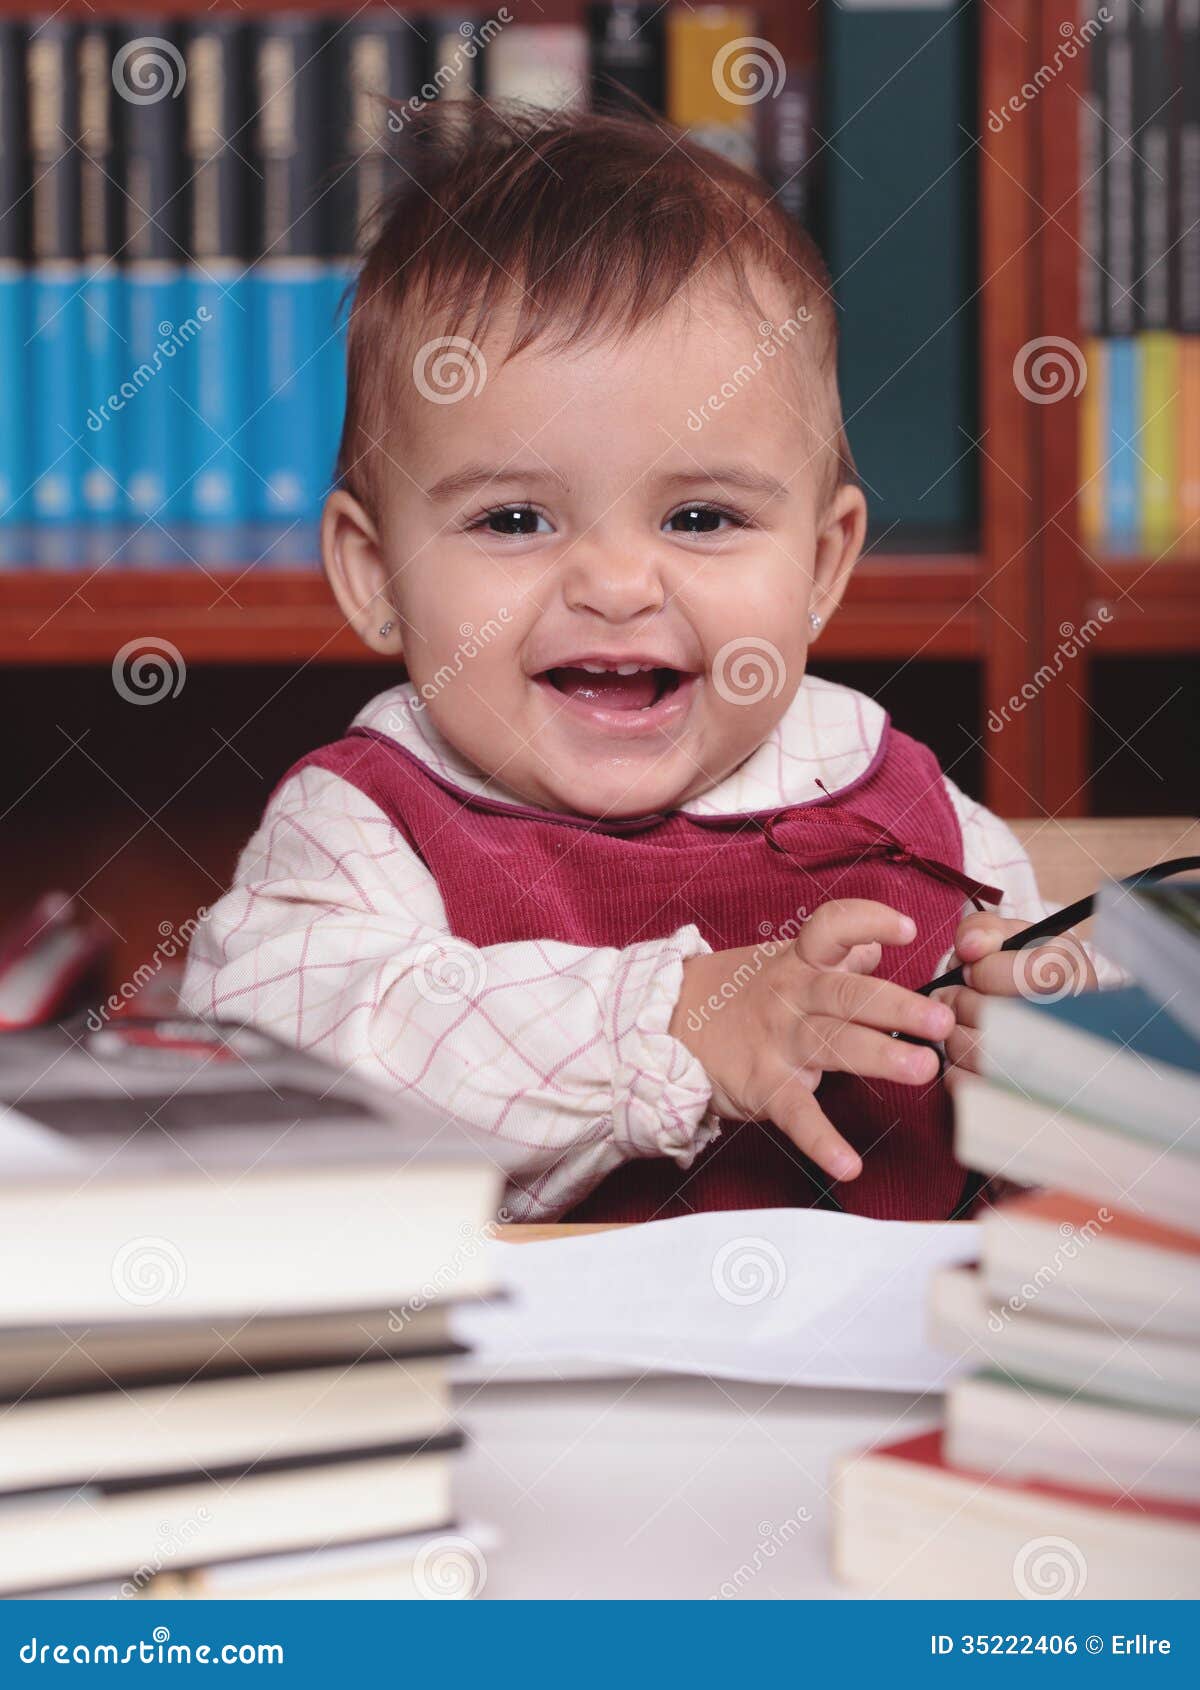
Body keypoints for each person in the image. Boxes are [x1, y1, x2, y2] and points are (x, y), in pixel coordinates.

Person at [183, 104, 1095, 1223]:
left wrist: (1056, 1079)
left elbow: (1087, 1156)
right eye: (513, 519)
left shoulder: (906, 804)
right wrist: (668, 1024)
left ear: (822, 564)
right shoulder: (370, 825)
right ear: (376, 574)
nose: (617, 585)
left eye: (702, 518)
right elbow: (280, 1058)